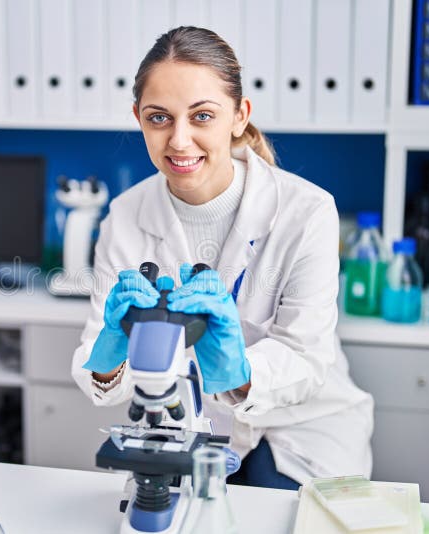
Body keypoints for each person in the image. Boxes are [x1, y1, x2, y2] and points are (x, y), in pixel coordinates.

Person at [70, 26, 373, 490]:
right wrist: (110, 353)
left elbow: (307, 358)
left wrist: (240, 370)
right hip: (191, 423)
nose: (180, 140)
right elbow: (102, 373)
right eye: (159, 118)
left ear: (238, 115)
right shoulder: (125, 216)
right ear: (138, 118)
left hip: (304, 424)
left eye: (202, 116)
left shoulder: (307, 211)